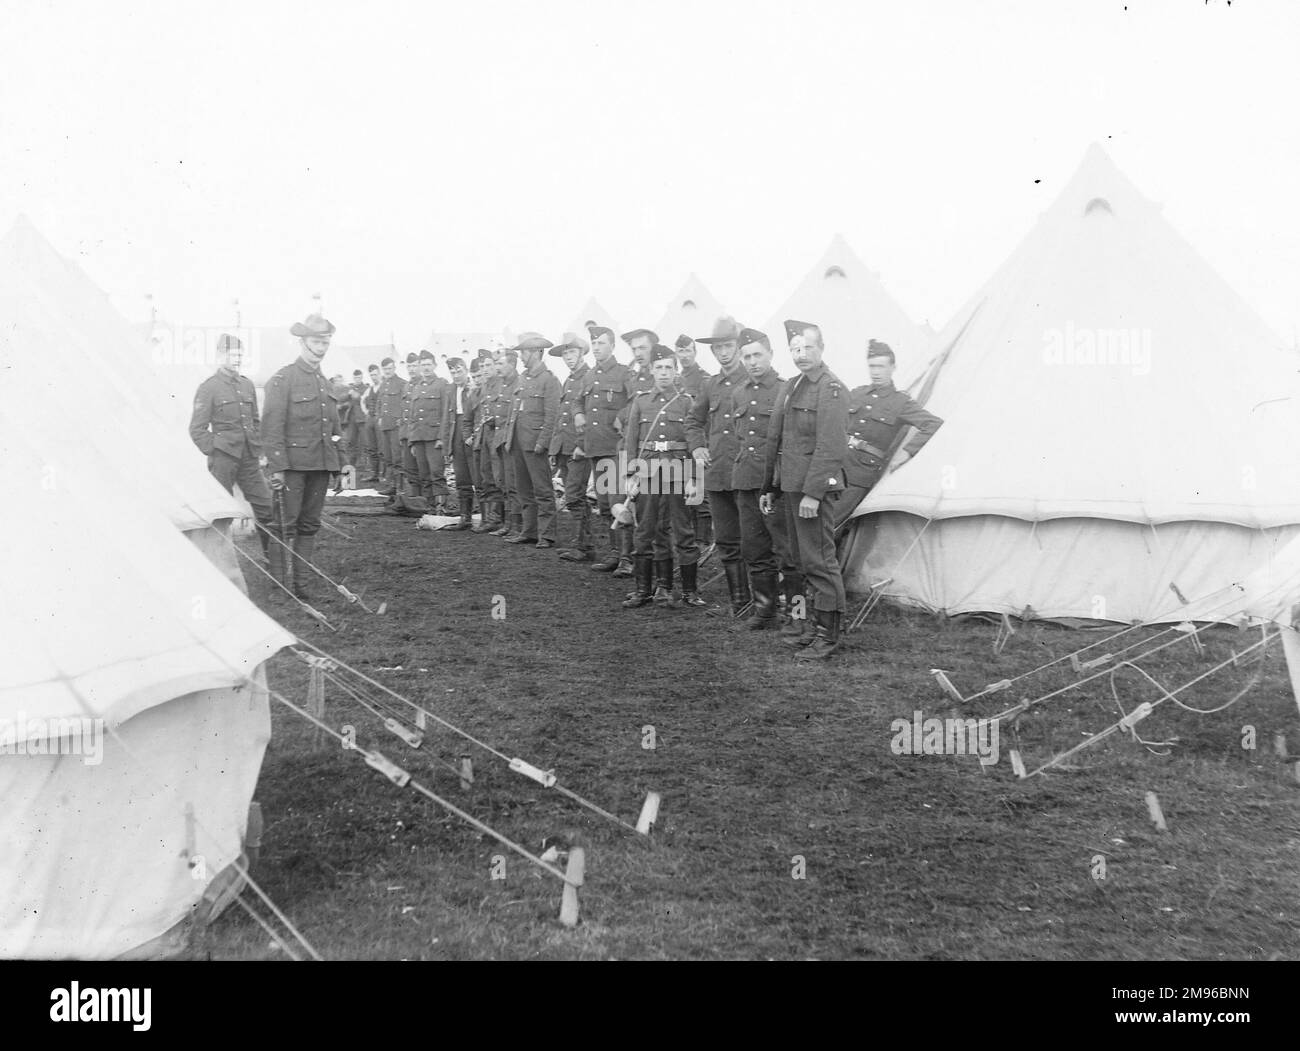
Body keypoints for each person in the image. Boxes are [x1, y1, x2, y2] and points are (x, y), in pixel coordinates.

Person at [760, 319, 849, 659]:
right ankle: (808, 625)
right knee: (797, 560)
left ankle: (828, 637)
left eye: (808, 347)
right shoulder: (792, 386)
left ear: (821, 348)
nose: (801, 354)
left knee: (819, 561)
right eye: (795, 349)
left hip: (812, 491)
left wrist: (813, 493)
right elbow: (777, 440)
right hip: (790, 488)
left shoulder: (832, 388)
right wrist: (771, 485)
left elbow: (832, 446)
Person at [260, 314, 350, 601]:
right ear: (302, 342)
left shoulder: (326, 383)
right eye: (315, 342)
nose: (321, 348)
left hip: (321, 466)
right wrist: (277, 468)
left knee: (309, 525)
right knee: (284, 524)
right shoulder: (284, 378)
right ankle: (280, 585)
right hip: (293, 467)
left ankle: (302, 585)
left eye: (325, 342)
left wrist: (342, 462)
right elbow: (271, 427)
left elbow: (335, 430)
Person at [833, 339, 944, 532]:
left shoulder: (901, 402)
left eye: (881, 366)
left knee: (832, 523)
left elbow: (933, 424)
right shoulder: (858, 393)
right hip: (835, 464)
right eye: (872, 366)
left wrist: (907, 452)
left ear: (893, 367)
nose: (876, 372)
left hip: (861, 472)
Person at [620, 345, 702, 609]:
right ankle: (649, 589)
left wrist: (694, 479)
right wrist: (630, 474)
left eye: (669, 367)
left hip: (678, 474)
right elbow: (631, 441)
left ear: (675, 371)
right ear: (651, 371)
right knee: (647, 531)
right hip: (648, 474)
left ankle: (690, 592)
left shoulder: (687, 402)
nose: (664, 372)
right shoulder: (641, 401)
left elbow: (694, 442)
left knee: (684, 532)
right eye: (659, 368)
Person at [730, 327, 796, 630]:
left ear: (770, 355)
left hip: (777, 485)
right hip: (746, 481)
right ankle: (764, 612)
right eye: (747, 356)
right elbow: (740, 437)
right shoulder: (738, 393)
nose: (752, 361)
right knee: (754, 550)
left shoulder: (787, 390)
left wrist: (779, 483)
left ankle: (798, 616)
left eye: (758, 355)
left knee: (788, 553)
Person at [187, 333, 274, 558]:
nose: (237, 359)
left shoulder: (246, 385)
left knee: (266, 507)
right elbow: (197, 429)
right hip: (223, 460)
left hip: (248, 460)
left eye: (240, 355)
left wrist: (258, 451)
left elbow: (255, 422)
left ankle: (272, 561)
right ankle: (218, 563)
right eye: (232, 355)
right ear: (220, 356)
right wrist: (216, 449)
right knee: (220, 513)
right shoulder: (209, 388)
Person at [686, 316, 749, 615]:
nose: (723, 352)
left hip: (748, 474)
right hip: (717, 473)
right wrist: (698, 446)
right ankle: (740, 601)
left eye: (728, 346)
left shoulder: (753, 380)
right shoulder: (710, 384)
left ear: (738, 346)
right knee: (726, 539)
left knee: (755, 540)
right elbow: (694, 420)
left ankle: (764, 601)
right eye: (718, 348)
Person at [576, 325, 636, 572]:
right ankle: (614, 554)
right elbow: (578, 400)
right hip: (595, 448)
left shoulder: (624, 373)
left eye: (601, 343)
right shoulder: (589, 376)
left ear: (612, 345)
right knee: (603, 505)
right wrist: (578, 413)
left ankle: (627, 559)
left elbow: (635, 402)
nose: (597, 348)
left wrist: (620, 416)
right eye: (595, 344)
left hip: (615, 449)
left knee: (618, 503)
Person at [505, 333, 562, 547]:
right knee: (523, 490)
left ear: (537, 352)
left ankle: (546, 535)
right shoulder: (522, 378)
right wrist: (510, 440)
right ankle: (529, 531)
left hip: (535, 443)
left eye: (525, 352)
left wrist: (543, 442)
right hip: (518, 442)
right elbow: (514, 412)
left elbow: (552, 415)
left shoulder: (549, 380)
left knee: (543, 491)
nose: (521, 357)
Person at [548, 333, 594, 560]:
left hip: (579, 448)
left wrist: (581, 445)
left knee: (575, 495)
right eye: (565, 354)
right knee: (573, 495)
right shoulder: (569, 380)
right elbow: (561, 417)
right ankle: (583, 544)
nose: (568, 357)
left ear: (582, 352)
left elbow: (590, 416)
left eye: (572, 352)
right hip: (564, 447)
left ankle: (582, 546)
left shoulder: (590, 377)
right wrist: (555, 449)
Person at [405, 350, 453, 510]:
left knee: (436, 474)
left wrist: (442, 438)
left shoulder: (442, 384)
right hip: (419, 438)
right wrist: (412, 441)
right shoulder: (417, 387)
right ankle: (428, 507)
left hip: (434, 438)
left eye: (428, 364)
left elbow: (446, 413)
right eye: (423, 365)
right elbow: (412, 416)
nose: (425, 368)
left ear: (434, 365)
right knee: (424, 475)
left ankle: (441, 507)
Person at [489, 348, 523, 538]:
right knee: (502, 481)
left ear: (512, 364)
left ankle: (517, 525)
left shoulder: (519, 383)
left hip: (512, 441)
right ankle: (509, 524)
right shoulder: (500, 384)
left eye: (500, 363)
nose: (497, 367)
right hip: (499, 439)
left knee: (514, 483)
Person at [471, 350, 505, 533]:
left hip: (497, 436)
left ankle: (499, 518)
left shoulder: (501, 384)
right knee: (486, 476)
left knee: (498, 476)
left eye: (488, 365)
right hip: (484, 436)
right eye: (482, 366)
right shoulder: (483, 388)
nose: (484, 369)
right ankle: (492, 518)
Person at [444, 356, 477, 529]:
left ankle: (490, 518)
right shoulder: (450, 390)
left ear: (466, 371)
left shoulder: (474, 387)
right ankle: (465, 517)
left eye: (459, 371)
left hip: (472, 433)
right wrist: (446, 444)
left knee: (478, 476)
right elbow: (446, 417)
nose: (456, 375)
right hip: (456, 432)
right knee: (461, 476)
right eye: (452, 372)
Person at [375, 356, 406, 495]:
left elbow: (406, 404)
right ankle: (392, 486)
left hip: (396, 426)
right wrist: (379, 417)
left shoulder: (401, 383)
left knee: (397, 457)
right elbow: (379, 403)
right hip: (385, 426)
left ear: (394, 368)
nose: (387, 371)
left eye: (389, 368)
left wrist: (401, 419)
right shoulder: (383, 384)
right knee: (387, 457)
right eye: (385, 369)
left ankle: (400, 488)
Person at [360, 363, 382, 485]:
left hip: (380, 420)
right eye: (371, 375)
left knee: (382, 448)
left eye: (375, 374)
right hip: (370, 420)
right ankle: (374, 473)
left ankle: (384, 475)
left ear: (379, 374)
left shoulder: (384, 386)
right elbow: (362, 400)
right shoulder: (370, 389)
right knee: (371, 447)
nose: (373, 377)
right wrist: (366, 412)